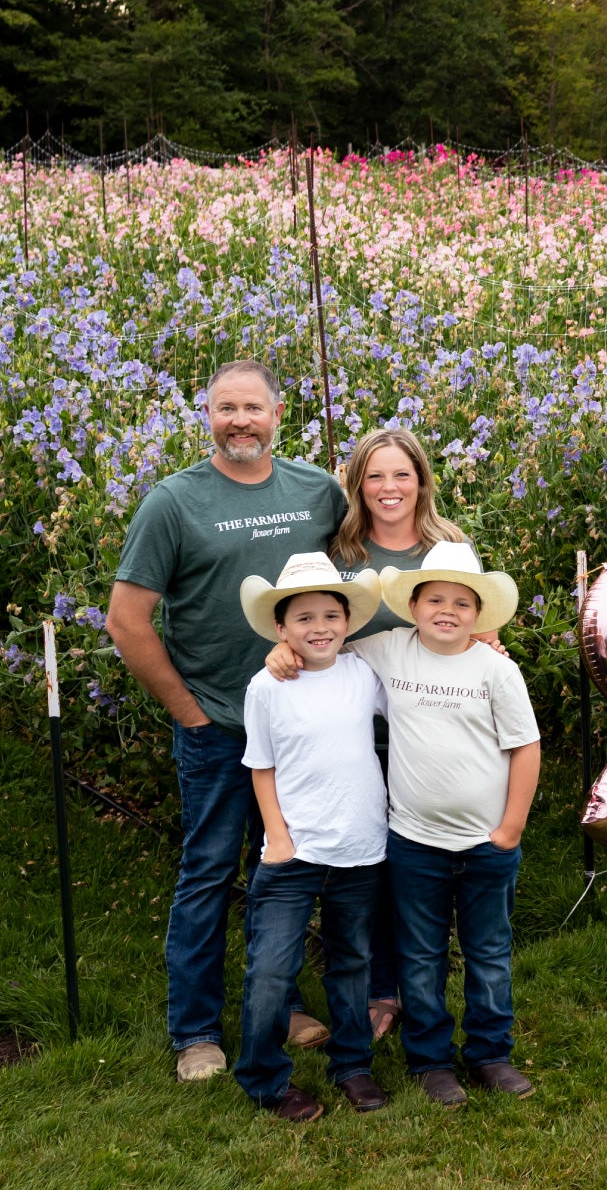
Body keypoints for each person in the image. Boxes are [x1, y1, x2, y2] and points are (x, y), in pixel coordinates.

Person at [105, 359, 348, 1084]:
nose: (239, 420)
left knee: (287, 869)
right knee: (210, 872)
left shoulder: (317, 492)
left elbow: (370, 575)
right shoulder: (174, 503)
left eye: (252, 407)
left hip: (304, 727)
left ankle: (282, 1007)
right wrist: (192, 715)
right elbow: (126, 620)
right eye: (224, 408)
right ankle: (197, 1034)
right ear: (206, 416)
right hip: (218, 726)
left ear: (279, 414)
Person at [271, 538, 539, 1105]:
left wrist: (509, 829)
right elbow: (325, 646)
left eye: (462, 604)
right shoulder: (389, 649)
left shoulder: (495, 670)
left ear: (480, 614)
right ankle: (430, 1059)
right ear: (412, 606)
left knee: (488, 951)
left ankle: (491, 1052)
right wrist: (283, 654)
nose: (447, 611)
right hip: (414, 841)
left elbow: (525, 748)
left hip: (487, 841)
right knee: (420, 955)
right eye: (434, 599)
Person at [231, 555, 392, 1120]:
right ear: (280, 628)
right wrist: (276, 836)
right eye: (303, 617)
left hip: (361, 845)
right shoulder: (267, 686)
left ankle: (352, 1066)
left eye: (330, 614)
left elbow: (420, 682)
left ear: (348, 622)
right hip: (292, 851)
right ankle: (263, 1078)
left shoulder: (363, 674)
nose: (318, 626)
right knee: (272, 966)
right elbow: (261, 765)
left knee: (351, 962)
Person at [328, 427, 473, 1046]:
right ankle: (379, 989)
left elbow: (473, 623)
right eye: (376, 476)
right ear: (358, 483)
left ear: (421, 481)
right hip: (357, 731)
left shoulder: (449, 546)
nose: (389, 488)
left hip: (431, 730)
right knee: (372, 862)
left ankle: (422, 989)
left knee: (421, 861)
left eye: (402, 475)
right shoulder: (339, 554)